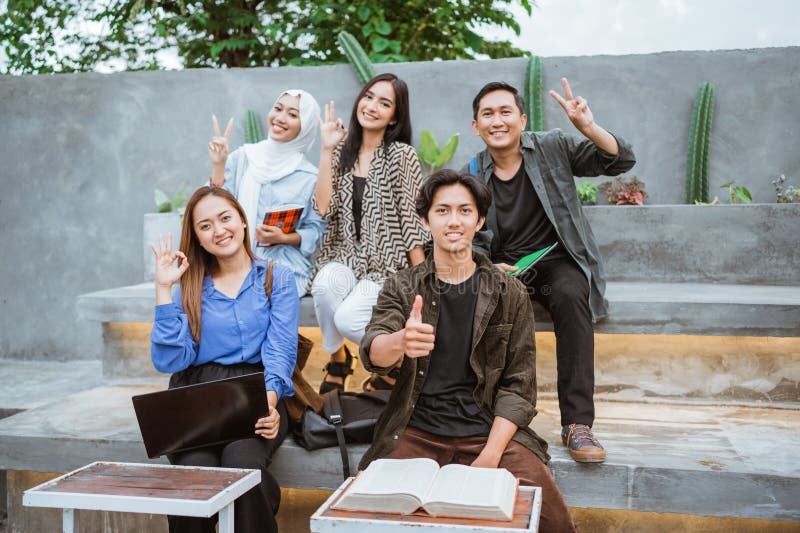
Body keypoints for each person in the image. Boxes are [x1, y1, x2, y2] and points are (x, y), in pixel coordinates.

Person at [358, 169, 577, 532]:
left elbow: (519, 386)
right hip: (415, 430)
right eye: (442, 211)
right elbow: (374, 349)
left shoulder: (509, 292)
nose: (453, 220)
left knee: (552, 520)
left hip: (488, 432)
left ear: (479, 220)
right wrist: (400, 342)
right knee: (369, 514)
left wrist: (491, 455)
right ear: (426, 220)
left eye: (464, 210)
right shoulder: (403, 285)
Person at [464, 79, 636, 463]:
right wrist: (489, 266)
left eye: (505, 111)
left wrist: (588, 127)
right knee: (482, 298)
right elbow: (471, 238)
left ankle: (577, 424)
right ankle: (495, 420)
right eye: (487, 114)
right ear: (476, 126)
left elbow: (619, 160)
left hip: (559, 258)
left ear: (522, 119)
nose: (497, 120)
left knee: (572, 293)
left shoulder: (552, 147)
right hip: (507, 266)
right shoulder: (473, 174)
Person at [150, 186, 299, 533]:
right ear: (198, 239)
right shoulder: (191, 286)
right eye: (205, 226)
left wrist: (271, 403)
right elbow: (170, 360)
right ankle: (265, 492)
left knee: (241, 464)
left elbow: (280, 352)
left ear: (243, 222)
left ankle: (261, 492)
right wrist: (163, 290)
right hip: (195, 400)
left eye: (225, 218)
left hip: (256, 392)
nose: (218, 230)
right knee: (194, 475)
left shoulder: (277, 278)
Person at [311, 73, 428, 393]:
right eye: (369, 96)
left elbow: (411, 219)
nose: (372, 106)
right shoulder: (339, 152)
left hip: (387, 265)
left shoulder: (402, 156)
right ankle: (339, 359)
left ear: (395, 118)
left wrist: (423, 280)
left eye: (384, 103)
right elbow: (323, 209)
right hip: (344, 256)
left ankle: (395, 364)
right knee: (324, 287)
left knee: (348, 319)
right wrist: (325, 150)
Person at [208, 89, 326, 297]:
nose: (280, 118)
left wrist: (285, 238)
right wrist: (218, 165)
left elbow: (316, 231)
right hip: (231, 259)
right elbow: (213, 207)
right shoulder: (243, 158)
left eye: (292, 114)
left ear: (305, 126)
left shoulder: (308, 177)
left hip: (282, 266)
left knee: (263, 294)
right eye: (278, 109)